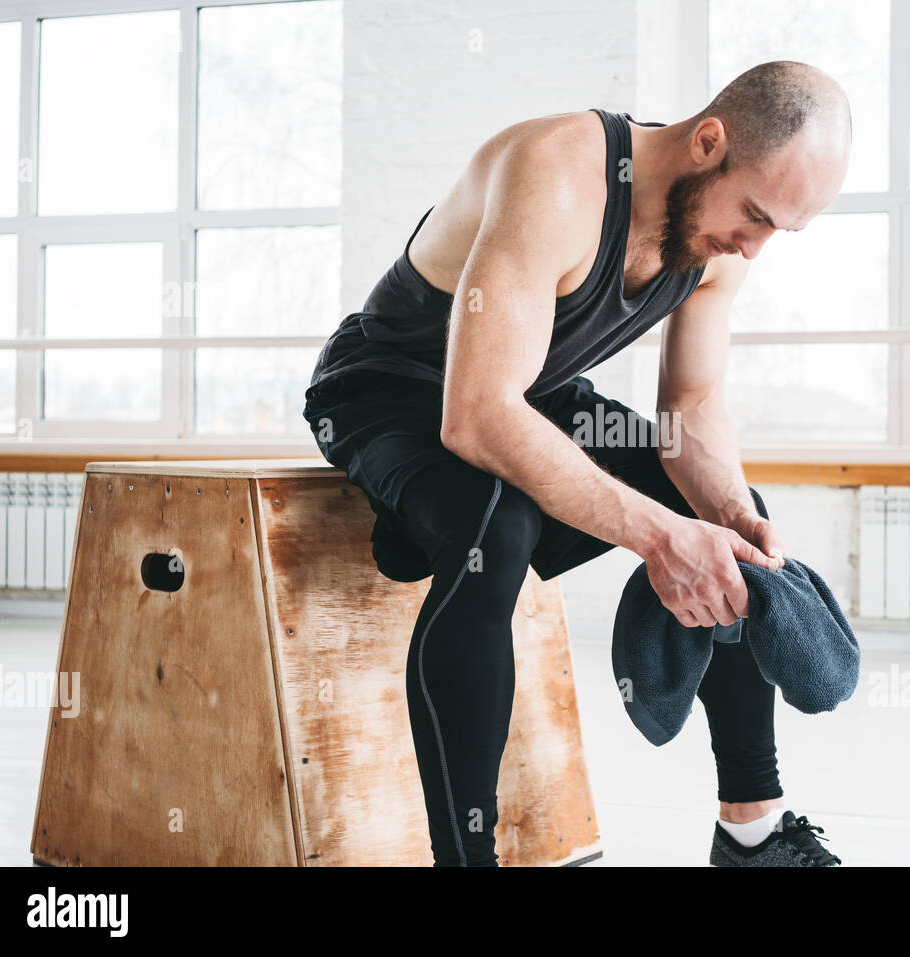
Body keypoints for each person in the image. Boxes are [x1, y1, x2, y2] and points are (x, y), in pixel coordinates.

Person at [302, 60, 851, 866]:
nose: (753, 247)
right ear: (708, 143)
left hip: (536, 390)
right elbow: (478, 414)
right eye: (755, 216)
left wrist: (729, 517)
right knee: (500, 520)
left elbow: (690, 411)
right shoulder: (557, 175)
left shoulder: (724, 243)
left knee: (724, 525)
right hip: (389, 391)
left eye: (780, 232)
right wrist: (661, 541)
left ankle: (753, 834)